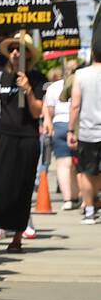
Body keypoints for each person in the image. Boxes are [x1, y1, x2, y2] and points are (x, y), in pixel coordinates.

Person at [0, 36, 46, 252]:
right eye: (11, 49)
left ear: (29, 54)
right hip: (4, 135)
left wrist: (29, 89)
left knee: (22, 187)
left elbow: (37, 111)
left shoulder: (37, 77)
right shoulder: (2, 76)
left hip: (27, 138)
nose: (15, 53)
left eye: (20, 50)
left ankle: (17, 237)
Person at [68, 46, 101, 224]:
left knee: (87, 173)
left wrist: (71, 130)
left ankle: (89, 210)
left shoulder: (81, 75)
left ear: (92, 54)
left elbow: (75, 105)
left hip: (88, 131)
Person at [43, 62, 79, 210]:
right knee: (78, 164)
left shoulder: (53, 87)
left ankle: (68, 199)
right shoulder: (82, 82)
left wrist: (48, 122)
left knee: (63, 163)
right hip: (78, 124)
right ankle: (79, 197)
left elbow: (49, 109)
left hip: (59, 123)